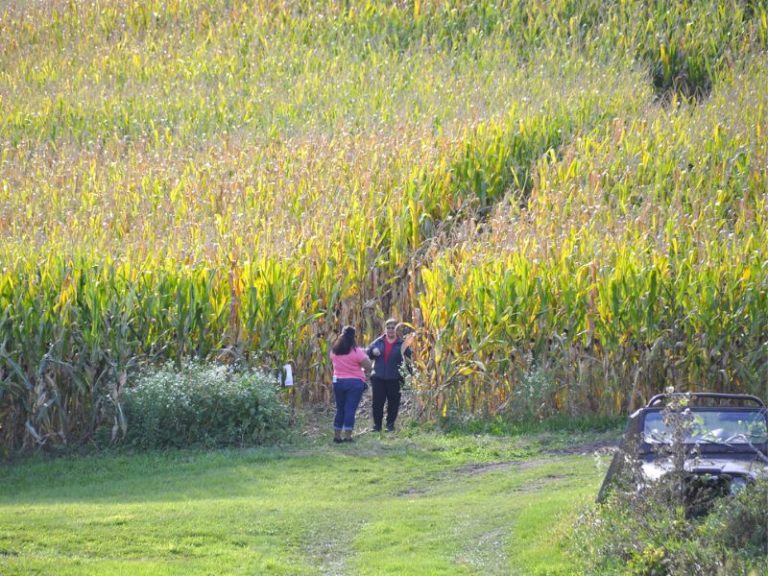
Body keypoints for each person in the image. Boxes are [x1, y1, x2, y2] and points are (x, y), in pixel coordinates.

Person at [366, 318, 413, 432]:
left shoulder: (402, 344)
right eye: (388, 328)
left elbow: (409, 360)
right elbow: (367, 355)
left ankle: (390, 425)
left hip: (395, 378)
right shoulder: (378, 342)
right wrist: (372, 352)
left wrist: (409, 376)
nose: (391, 330)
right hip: (378, 378)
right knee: (377, 403)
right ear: (385, 329)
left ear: (396, 330)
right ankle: (377, 426)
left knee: (393, 403)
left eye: (393, 328)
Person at [330, 325, 372, 443]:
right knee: (350, 409)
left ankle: (337, 436)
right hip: (354, 383)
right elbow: (368, 366)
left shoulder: (334, 351)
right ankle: (348, 437)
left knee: (340, 409)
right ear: (353, 337)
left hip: (338, 381)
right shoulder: (356, 351)